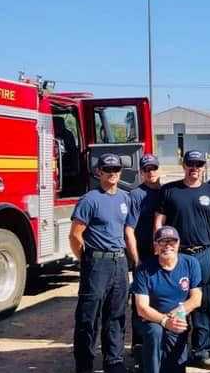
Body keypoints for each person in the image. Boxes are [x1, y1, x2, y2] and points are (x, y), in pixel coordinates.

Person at [155, 150, 210, 370]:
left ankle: (202, 351)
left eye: (198, 164)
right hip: (177, 254)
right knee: (175, 300)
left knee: (204, 304)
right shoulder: (170, 191)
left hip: (204, 254)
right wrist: (158, 248)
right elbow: (159, 222)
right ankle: (175, 350)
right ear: (183, 165)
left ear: (204, 166)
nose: (194, 167)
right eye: (190, 163)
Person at [70, 153, 132, 373]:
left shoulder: (125, 198)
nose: (112, 173)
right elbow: (75, 235)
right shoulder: (90, 199)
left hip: (119, 262)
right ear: (99, 172)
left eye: (116, 169)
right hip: (97, 263)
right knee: (89, 316)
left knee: (116, 314)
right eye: (107, 169)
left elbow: (127, 231)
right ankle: (85, 363)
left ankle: (113, 361)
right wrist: (87, 260)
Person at [131, 226, 203, 373]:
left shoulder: (191, 263)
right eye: (163, 242)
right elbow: (141, 308)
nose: (168, 246)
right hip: (151, 318)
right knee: (155, 332)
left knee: (176, 365)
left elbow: (196, 299)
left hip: (178, 316)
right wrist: (164, 321)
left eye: (172, 242)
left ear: (178, 244)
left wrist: (176, 315)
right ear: (155, 245)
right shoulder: (143, 270)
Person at [125, 153, 164, 350]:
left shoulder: (166, 192)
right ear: (141, 173)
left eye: (154, 168)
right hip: (143, 254)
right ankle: (139, 343)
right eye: (147, 170)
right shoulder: (136, 195)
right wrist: (136, 260)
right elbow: (129, 230)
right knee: (141, 298)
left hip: (164, 255)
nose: (151, 173)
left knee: (163, 296)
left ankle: (162, 339)